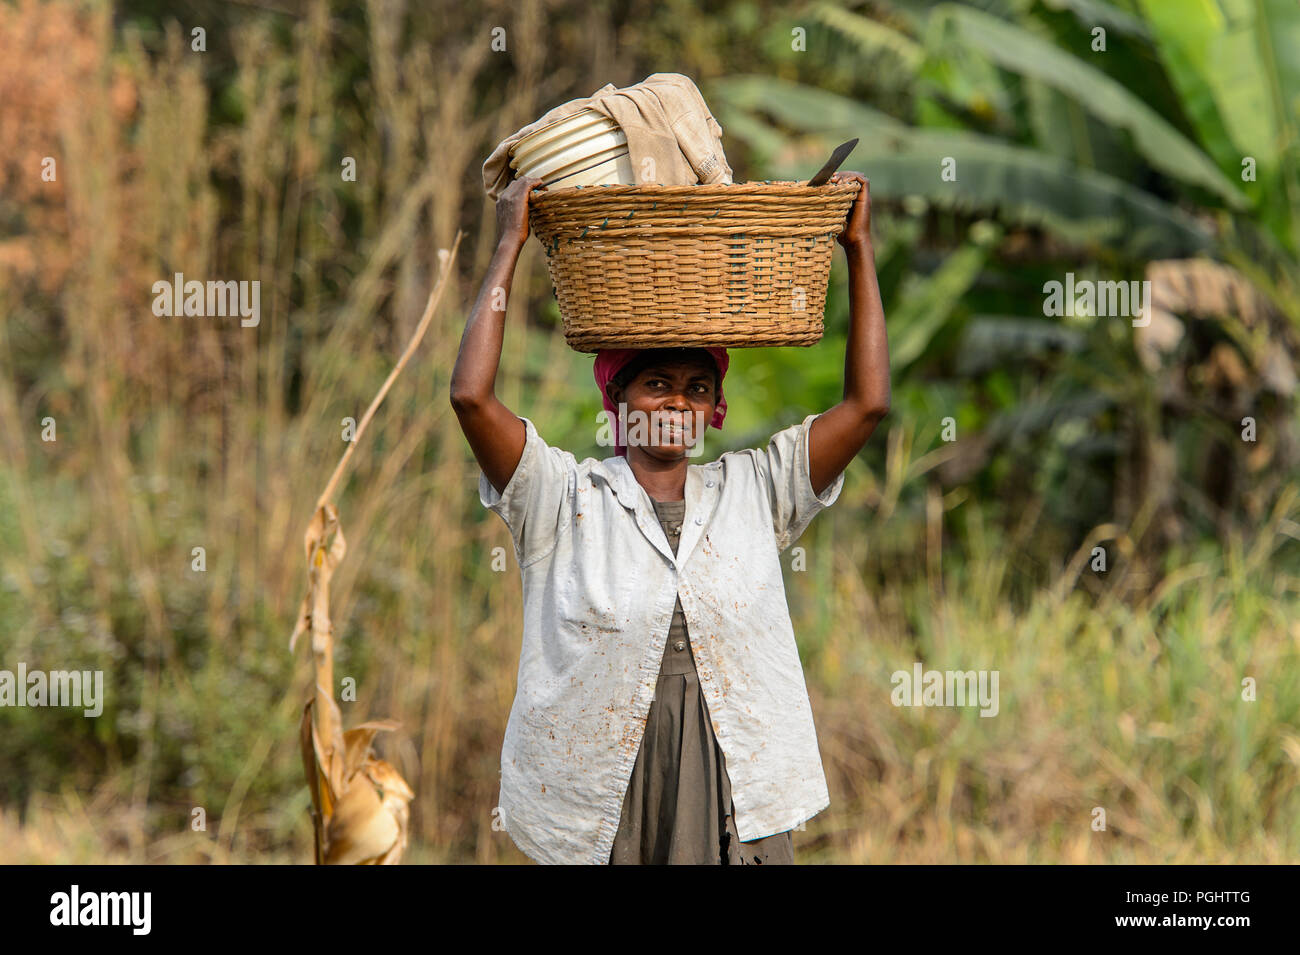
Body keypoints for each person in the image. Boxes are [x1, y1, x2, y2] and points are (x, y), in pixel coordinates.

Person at [450, 170, 889, 864]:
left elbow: (866, 406)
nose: (677, 402)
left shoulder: (755, 489)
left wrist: (858, 248)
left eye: (697, 387)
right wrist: (510, 242)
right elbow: (472, 399)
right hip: (607, 784)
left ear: (715, 409)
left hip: (734, 777)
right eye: (656, 384)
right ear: (615, 398)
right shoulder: (562, 498)